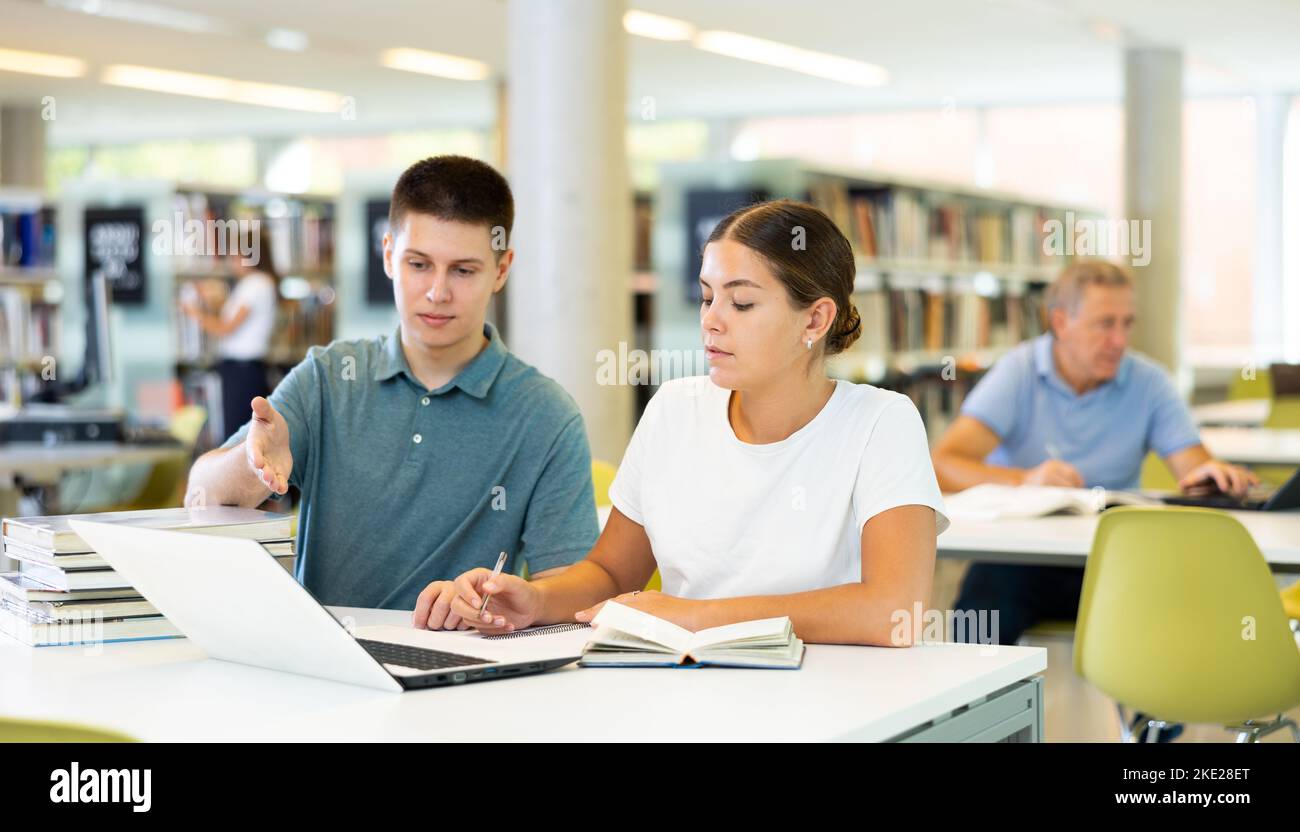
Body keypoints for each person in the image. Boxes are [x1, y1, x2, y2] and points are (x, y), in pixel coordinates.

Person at [423, 199, 949, 646]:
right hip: (686, 685)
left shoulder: (882, 423)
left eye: (741, 302)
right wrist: (535, 600)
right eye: (706, 296)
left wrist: (697, 617)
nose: (711, 319)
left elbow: (893, 610)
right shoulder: (674, 409)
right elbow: (611, 574)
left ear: (815, 319)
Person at [186, 155, 598, 611]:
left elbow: (572, 594)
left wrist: (518, 603)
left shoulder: (546, 415)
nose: (438, 292)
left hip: (470, 671)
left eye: (463, 270)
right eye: (419, 264)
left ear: (501, 270)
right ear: (388, 256)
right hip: (330, 668)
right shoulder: (328, 378)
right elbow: (201, 494)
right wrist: (252, 462)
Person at [934, 259, 1259, 647]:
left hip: (1116, 560)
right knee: (978, 616)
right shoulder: (1019, 371)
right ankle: (977, 705)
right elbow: (943, 464)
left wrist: (1214, 475)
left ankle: (1164, 702)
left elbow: (1194, 468)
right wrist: (1026, 480)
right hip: (1022, 557)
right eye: (1105, 324)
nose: (1120, 340)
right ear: (1060, 323)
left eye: (1127, 324)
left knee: (1185, 604)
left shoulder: (1149, 381)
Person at [180, 224, 277, 442]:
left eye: (237, 253)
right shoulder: (255, 284)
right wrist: (207, 301)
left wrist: (193, 312)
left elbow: (226, 327)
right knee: (242, 431)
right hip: (245, 368)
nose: (232, 259)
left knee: (237, 433)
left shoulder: (256, 283)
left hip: (243, 369)